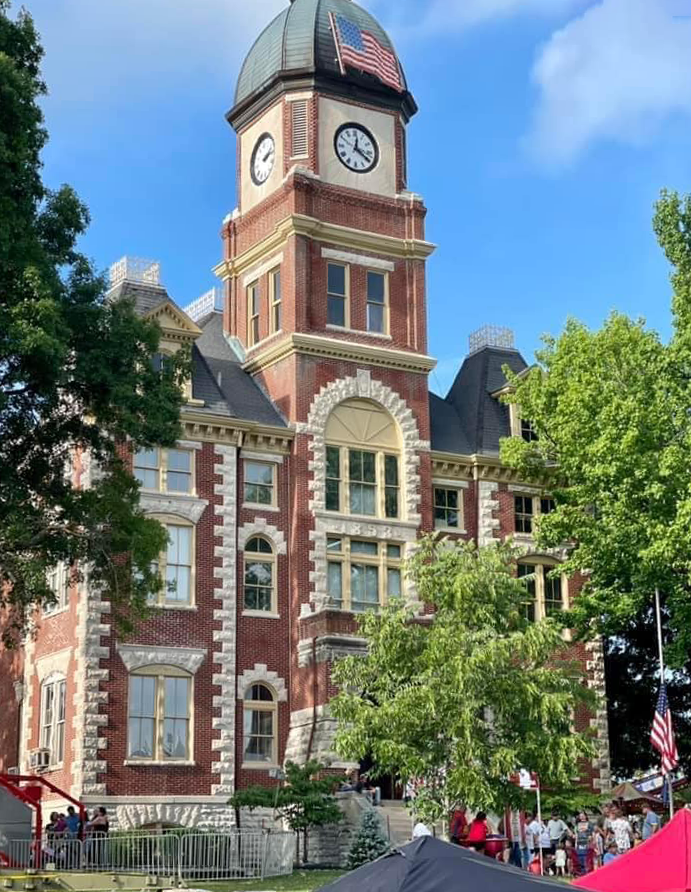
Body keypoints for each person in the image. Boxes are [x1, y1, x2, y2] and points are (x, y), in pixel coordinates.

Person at [574, 811, 594, 876]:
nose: (581, 817)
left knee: (587, 857)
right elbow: (576, 834)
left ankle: (587, 872)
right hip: (579, 842)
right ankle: (581, 872)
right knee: (580, 857)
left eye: (583, 815)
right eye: (580, 816)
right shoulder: (577, 824)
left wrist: (591, 842)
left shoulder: (589, 824)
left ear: (585, 816)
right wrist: (575, 843)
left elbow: (592, 834)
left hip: (587, 842)